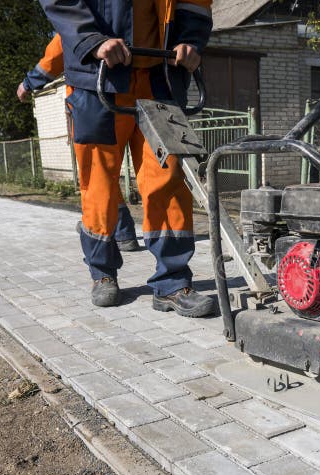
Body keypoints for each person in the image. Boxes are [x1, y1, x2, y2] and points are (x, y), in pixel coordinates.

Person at [37, 0, 214, 317]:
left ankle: (173, 283)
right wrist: (93, 40)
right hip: (97, 79)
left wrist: (191, 41)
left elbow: (195, 5)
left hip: (160, 78)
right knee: (99, 183)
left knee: (169, 179)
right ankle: (102, 273)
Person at [18, 34, 141, 253]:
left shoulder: (81, 20)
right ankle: (124, 233)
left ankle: (113, 232)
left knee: (96, 174)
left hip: (96, 100)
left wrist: (28, 83)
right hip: (139, 97)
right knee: (123, 176)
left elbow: (56, 53)